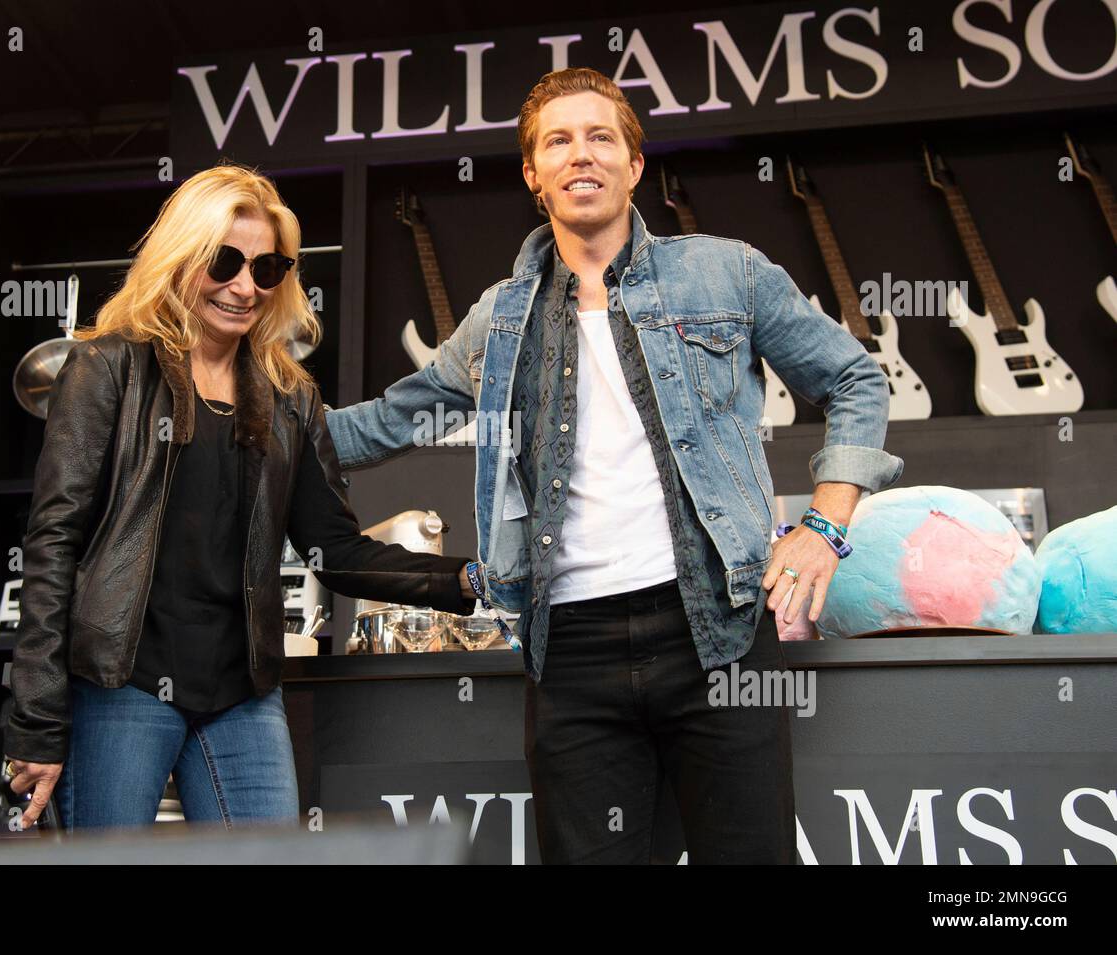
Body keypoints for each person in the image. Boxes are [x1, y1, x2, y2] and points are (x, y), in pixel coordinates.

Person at [325, 68, 904, 863]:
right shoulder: (501, 318)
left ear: (635, 163)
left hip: (720, 632)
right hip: (569, 649)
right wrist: (248, 423)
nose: (581, 155)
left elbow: (854, 377)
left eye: (602, 137)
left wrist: (824, 527)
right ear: (533, 174)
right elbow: (384, 422)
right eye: (557, 141)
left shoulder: (726, 271)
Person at [5, 164, 476, 832]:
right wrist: (36, 719)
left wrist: (470, 577)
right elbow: (53, 543)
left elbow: (334, 550)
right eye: (224, 261)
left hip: (240, 691)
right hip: (120, 682)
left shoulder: (291, 397)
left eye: (267, 268)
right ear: (181, 257)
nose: (244, 285)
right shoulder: (108, 366)